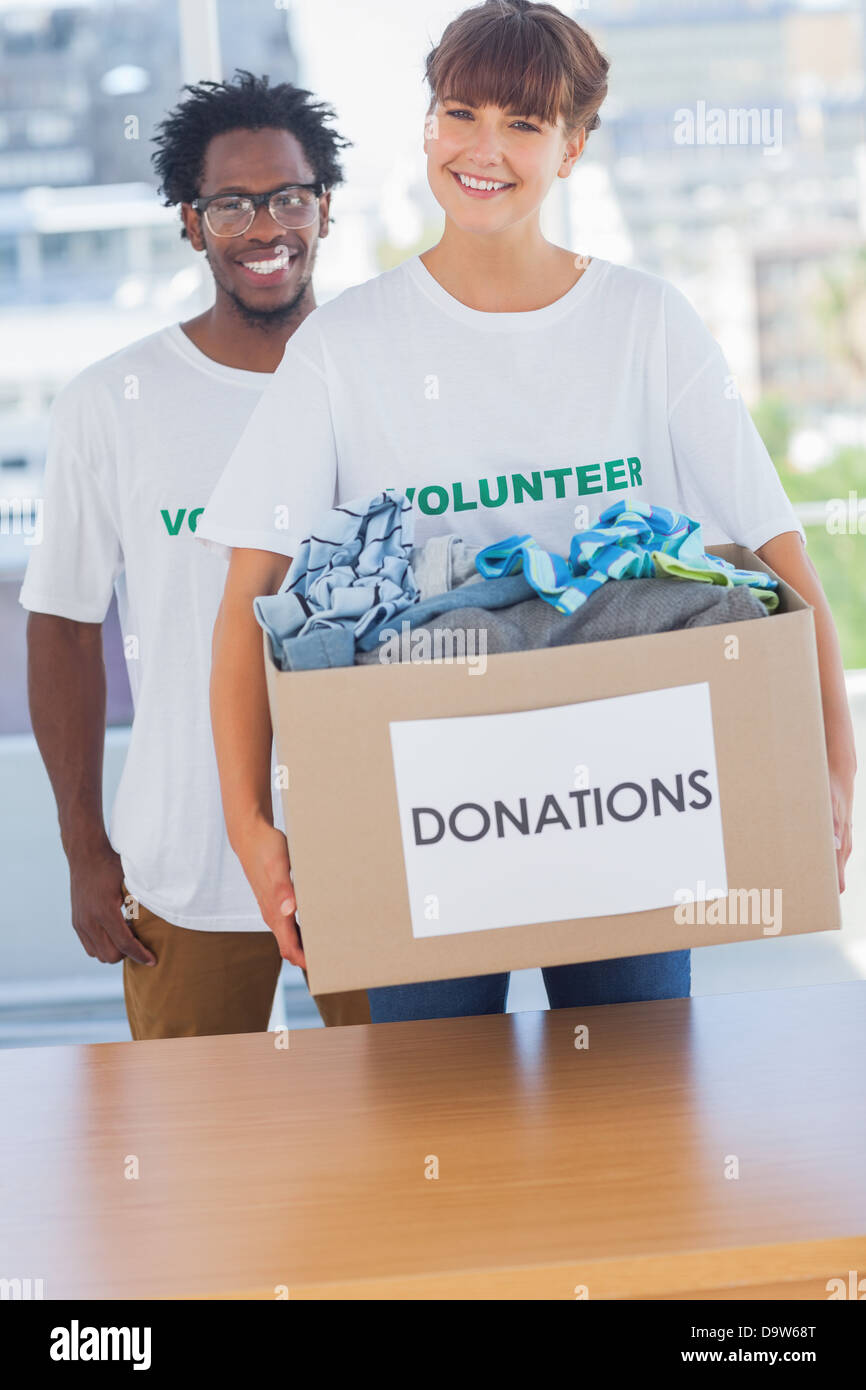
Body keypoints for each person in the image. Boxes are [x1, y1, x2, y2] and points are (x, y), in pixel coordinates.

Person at [197, 2, 855, 1024]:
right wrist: (251, 828)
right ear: (425, 125)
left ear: (573, 146)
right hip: (424, 815)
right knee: (439, 1128)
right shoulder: (346, 347)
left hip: (634, 804)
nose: (483, 149)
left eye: (524, 123)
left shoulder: (647, 323)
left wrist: (830, 763)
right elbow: (250, 598)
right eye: (459, 112)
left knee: (633, 1118)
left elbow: (776, 551)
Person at [21, 71, 370, 1037]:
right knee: (189, 1166)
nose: (266, 229)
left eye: (289, 197)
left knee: (411, 1141)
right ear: (191, 224)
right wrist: (85, 849)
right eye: (231, 205)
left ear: (325, 209)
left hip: (378, 848)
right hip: (179, 860)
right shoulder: (112, 402)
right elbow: (61, 625)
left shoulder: (383, 376)